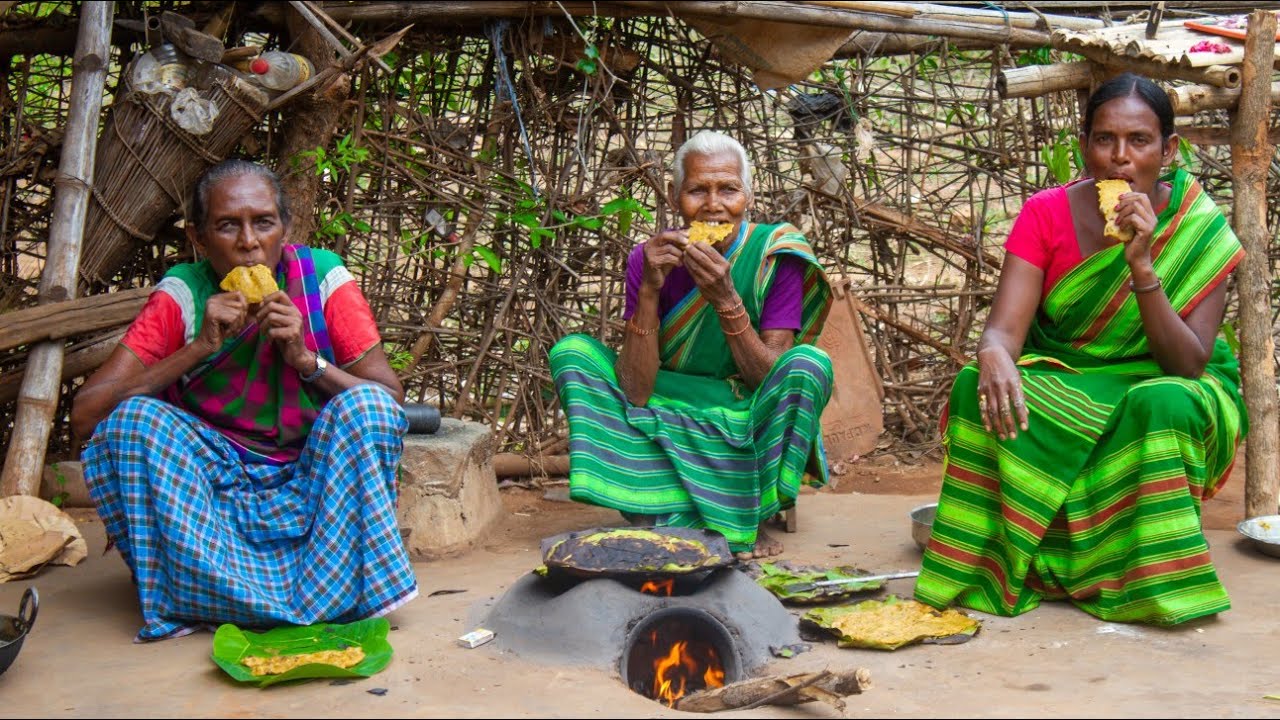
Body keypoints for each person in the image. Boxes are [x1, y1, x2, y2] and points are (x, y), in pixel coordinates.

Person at [914, 73, 1247, 625]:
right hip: (1069, 372)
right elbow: (1003, 331)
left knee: (1165, 404)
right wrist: (993, 351)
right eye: (1103, 140)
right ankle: (1012, 560)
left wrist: (1142, 264)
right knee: (977, 384)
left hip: (1159, 376)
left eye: (1139, 141)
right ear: (1084, 144)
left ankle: (1141, 574)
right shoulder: (1046, 213)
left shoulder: (1198, 228)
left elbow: (1187, 364)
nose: (1120, 158)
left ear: (1169, 149)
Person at [70, 159, 417, 641]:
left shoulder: (322, 278)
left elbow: (388, 399)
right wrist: (198, 349)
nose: (249, 242)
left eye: (264, 223)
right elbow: (88, 413)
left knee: (369, 410)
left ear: (286, 228)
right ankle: (217, 591)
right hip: (216, 488)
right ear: (198, 238)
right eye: (228, 225)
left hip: (314, 480)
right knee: (133, 424)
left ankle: (305, 593)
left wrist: (303, 358)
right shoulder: (185, 294)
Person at [549, 130, 835, 560]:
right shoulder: (650, 257)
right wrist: (648, 288)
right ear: (673, 197)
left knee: (809, 365)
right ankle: (666, 499)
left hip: (743, 409)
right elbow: (637, 392)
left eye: (728, 190)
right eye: (697, 190)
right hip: (667, 399)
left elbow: (770, 377)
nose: (713, 205)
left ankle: (718, 508)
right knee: (572, 353)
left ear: (749, 196)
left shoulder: (775, 253)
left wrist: (727, 300)